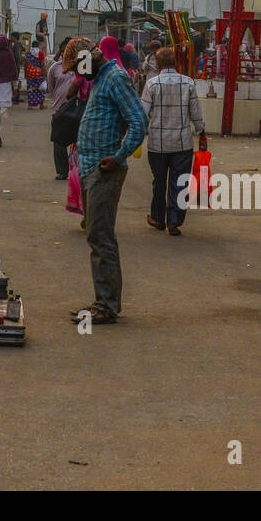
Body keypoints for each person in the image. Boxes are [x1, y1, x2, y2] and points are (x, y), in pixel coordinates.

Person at [71, 36, 147, 326]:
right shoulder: (101, 78)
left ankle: (106, 304)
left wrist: (118, 156)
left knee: (101, 238)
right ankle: (103, 300)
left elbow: (139, 121)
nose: (78, 74)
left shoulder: (115, 78)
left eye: (78, 68)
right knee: (96, 236)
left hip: (104, 169)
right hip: (92, 166)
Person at [141, 47, 208, 236]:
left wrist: (137, 135)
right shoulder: (188, 83)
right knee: (180, 183)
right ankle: (174, 221)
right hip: (182, 143)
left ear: (158, 64)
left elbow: (143, 114)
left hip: (157, 144)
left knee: (159, 182)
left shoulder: (151, 84)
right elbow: (195, 112)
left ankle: (157, 218)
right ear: (175, 63)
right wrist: (201, 132)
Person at [49, 36, 93, 183]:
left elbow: (77, 89)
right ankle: (63, 171)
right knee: (59, 141)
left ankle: (77, 170)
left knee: (77, 143)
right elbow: (52, 87)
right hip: (60, 109)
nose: (65, 54)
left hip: (80, 110)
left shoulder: (83, 68)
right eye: (63, 51)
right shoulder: (55, 68)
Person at [24, 39, 48, 108]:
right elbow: (42, 64)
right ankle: (41, 104)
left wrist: (25, 74)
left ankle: (30, 105)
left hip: (30, 73)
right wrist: (45, 74)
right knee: (41, 88)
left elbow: (25, 65)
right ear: (38, 46)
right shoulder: (41, 53)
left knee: (30, 88)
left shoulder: (28, 53)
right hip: (39, 73)